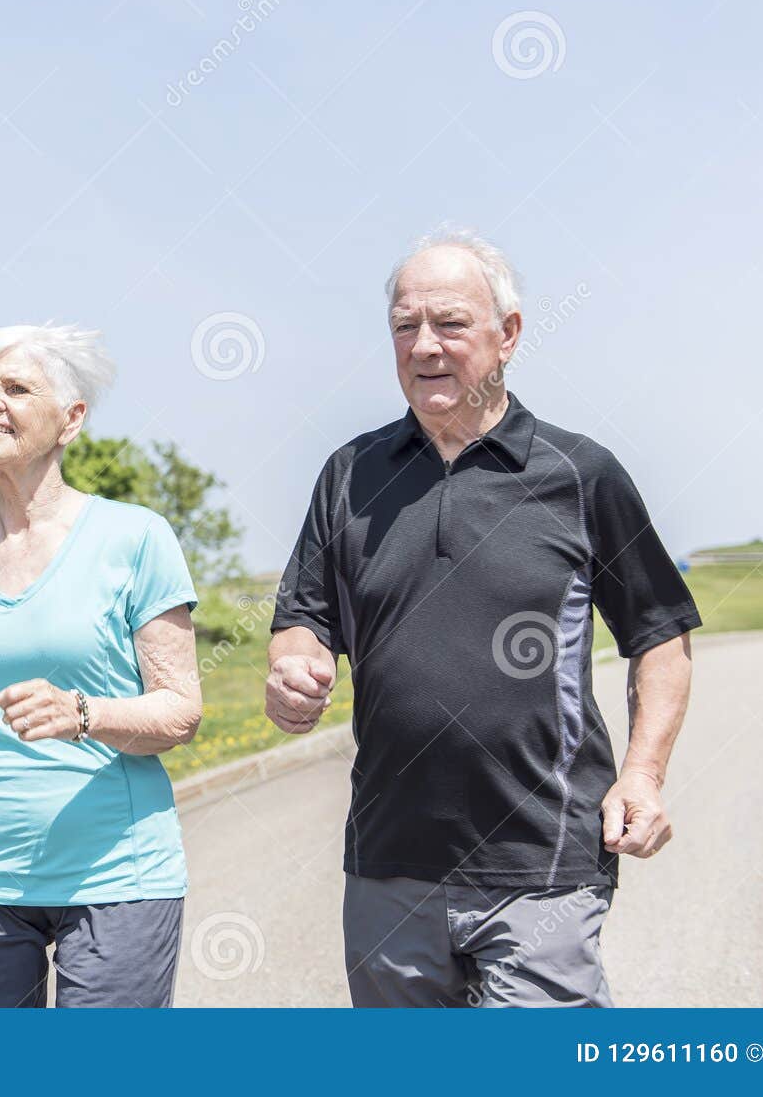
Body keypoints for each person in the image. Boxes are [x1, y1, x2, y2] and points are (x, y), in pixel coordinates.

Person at [267, 227, 700, 1007]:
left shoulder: (580, 475)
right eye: (405, 325)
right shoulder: (350, 474)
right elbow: (305, 615)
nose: (424, 345)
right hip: (388, 859)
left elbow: (659, 633)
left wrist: (643, 773)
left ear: (509, 334)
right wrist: (292, 667)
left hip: (544, 858)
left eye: (450, 323)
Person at [0, 324, 203, 1008]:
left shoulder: (135, 538)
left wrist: (83, 713)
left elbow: (180, 711)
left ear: (70, 420)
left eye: (17, 388)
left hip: (117, 876)